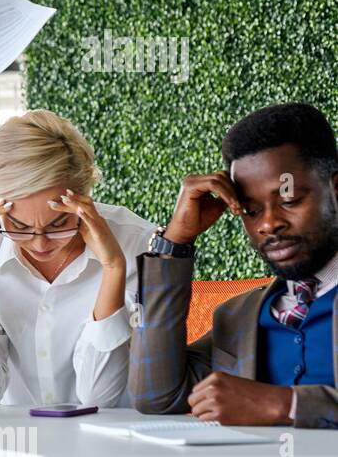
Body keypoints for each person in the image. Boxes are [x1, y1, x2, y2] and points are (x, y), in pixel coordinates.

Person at [130, 102, 338, 427]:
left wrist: (286, 404)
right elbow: (157, 397)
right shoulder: (238, 317)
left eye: (290, 200)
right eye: (251, 210)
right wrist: (175, 243)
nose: (268, 224)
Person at [0, 110, 156, 407]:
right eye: (18, 227)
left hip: (112, 440)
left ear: (83, 197)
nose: (39, 243)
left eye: (58, 224)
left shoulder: (136, 243)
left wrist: (113, 268)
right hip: (19, 440)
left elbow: (100, 397)